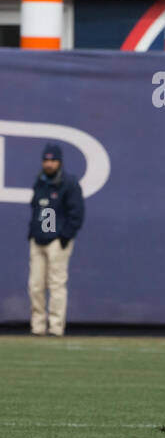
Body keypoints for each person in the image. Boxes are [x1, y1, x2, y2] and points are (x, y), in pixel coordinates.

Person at [28, 143, 84, 337]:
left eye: (53, 160)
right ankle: (38, 327)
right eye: (46, 160)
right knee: (35, 285)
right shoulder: (40, 181)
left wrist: (64, 236)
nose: (49, 164)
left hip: (56, 241)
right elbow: (37, 209)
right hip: (38, 239)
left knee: (56, 284)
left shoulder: (68, 182)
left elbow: (76, 213)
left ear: (60, 162)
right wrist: (33, 233)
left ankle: (56, 327)